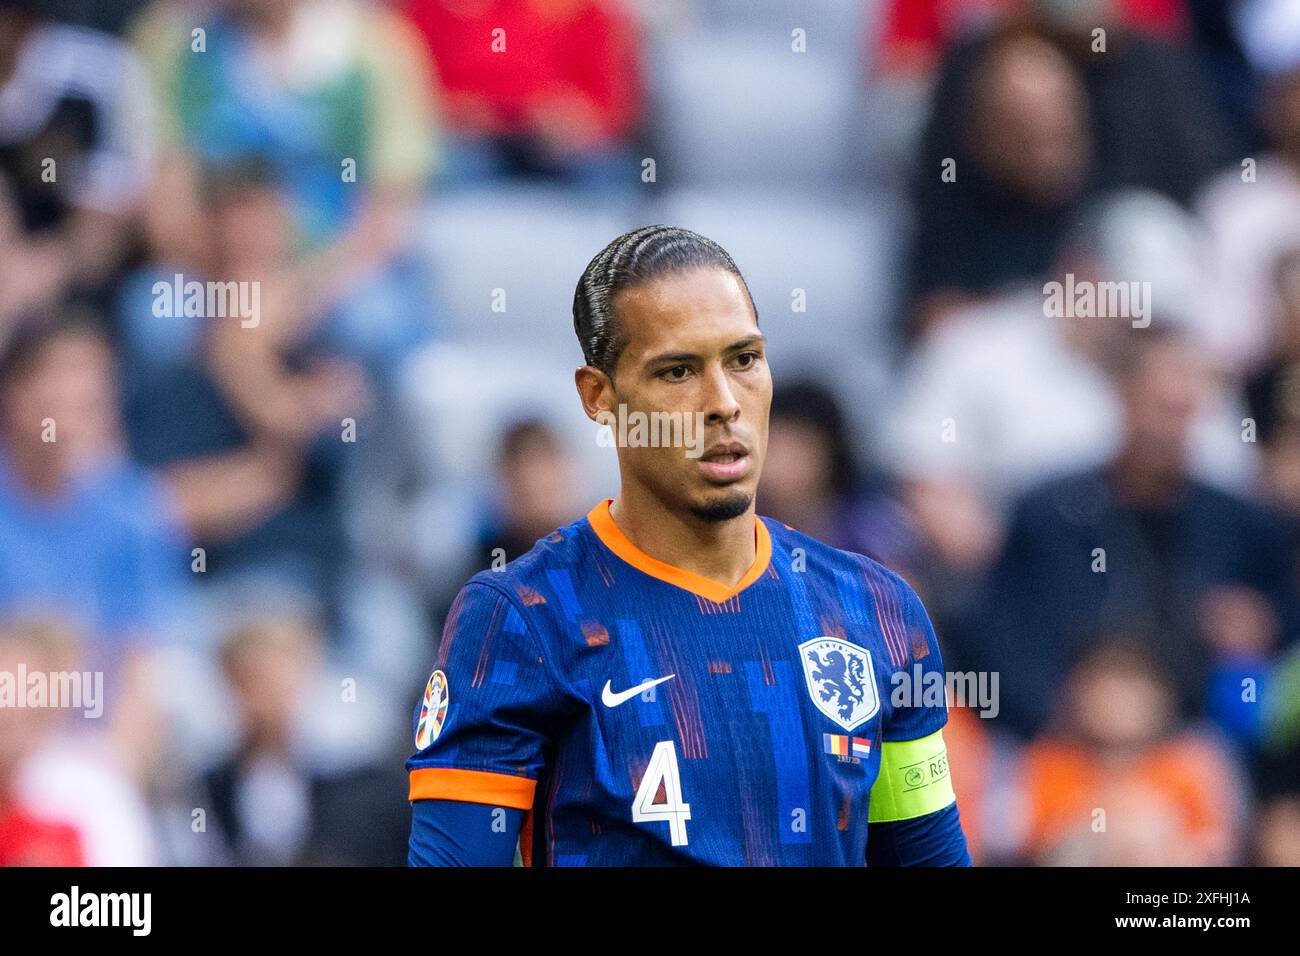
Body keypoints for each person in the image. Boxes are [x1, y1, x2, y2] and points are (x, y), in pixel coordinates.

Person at [406, 225, 971, 866]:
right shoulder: (522, 620)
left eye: (744, 359)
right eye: (677, 371)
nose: (724, 403)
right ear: (600, 398)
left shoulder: (880, 613)